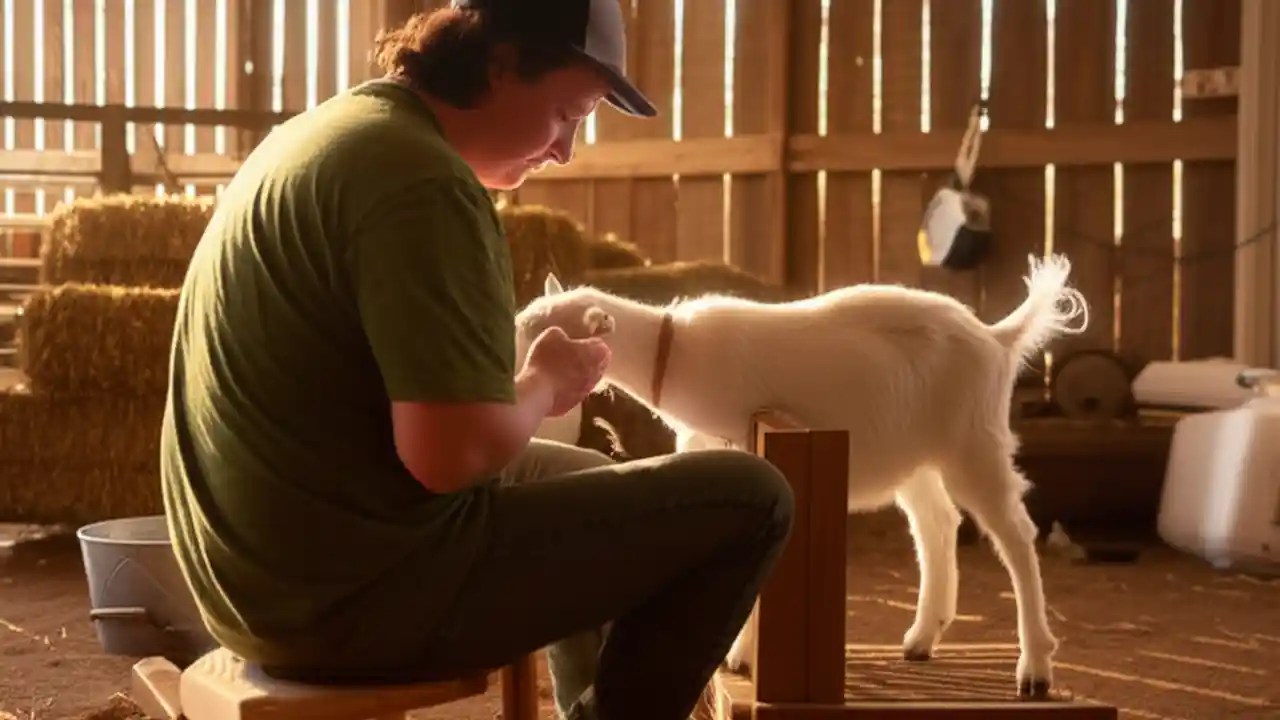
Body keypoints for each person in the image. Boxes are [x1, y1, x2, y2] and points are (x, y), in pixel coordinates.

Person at [158, 0, 795, 718]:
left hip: (252, 578)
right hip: (346, 601)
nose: (566, 151)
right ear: (499, 64)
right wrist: (542, 385)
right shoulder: (422, 185)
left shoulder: (331, 134)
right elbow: (450, 456)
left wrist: (527, 395)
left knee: (586, 479)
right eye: (567, 113)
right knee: (752, 498)